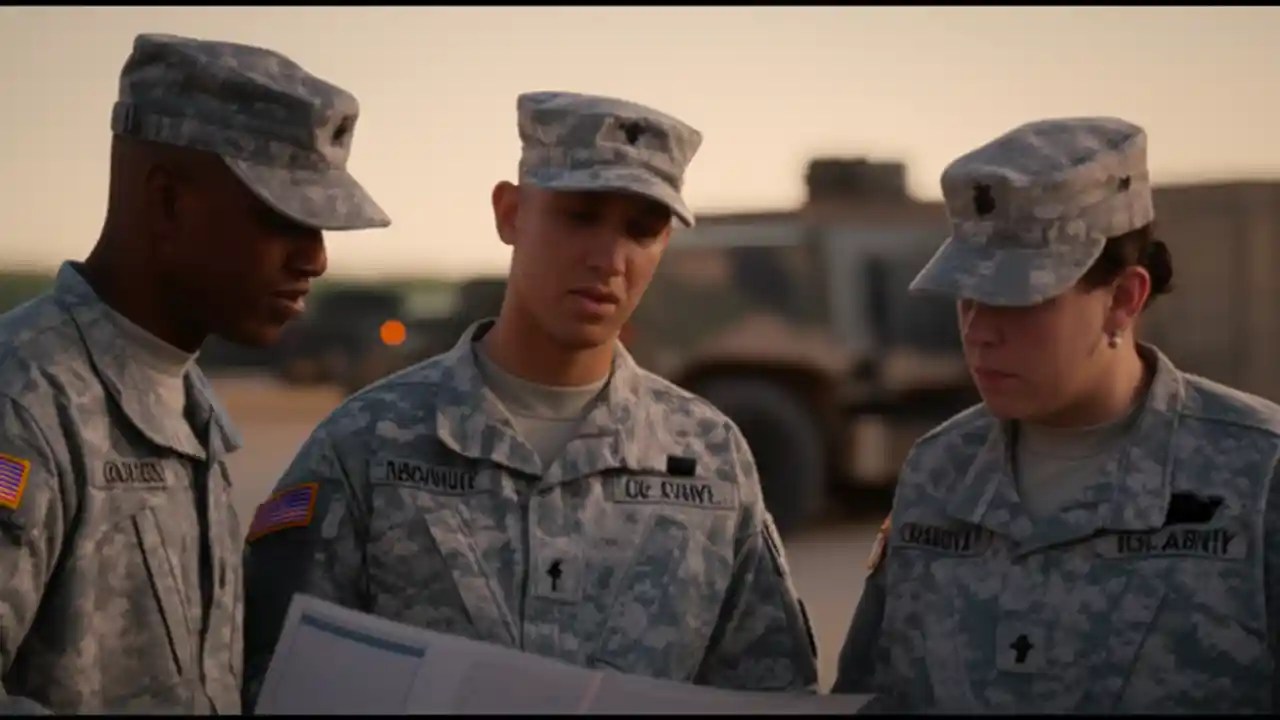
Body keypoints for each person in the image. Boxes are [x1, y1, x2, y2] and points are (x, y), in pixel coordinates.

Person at [241, 90, 819, 710]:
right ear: (510, 213)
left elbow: (770, 692)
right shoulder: (367, 442)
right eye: (580, 215)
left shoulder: (710, 456)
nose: (609, 258)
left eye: (642, 230)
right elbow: (273, 681)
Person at [831, 116, 1280, 713]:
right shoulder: (939, 470)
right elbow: (872, 697)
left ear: (1124, 298)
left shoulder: (1258, 473)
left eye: (1016, 300)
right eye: (967, 295)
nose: (979, 332)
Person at [0, 33, 390, 714]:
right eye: (283, 217)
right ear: (169, 201)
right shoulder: (25, 399)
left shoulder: (186, 403)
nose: (316, 259)